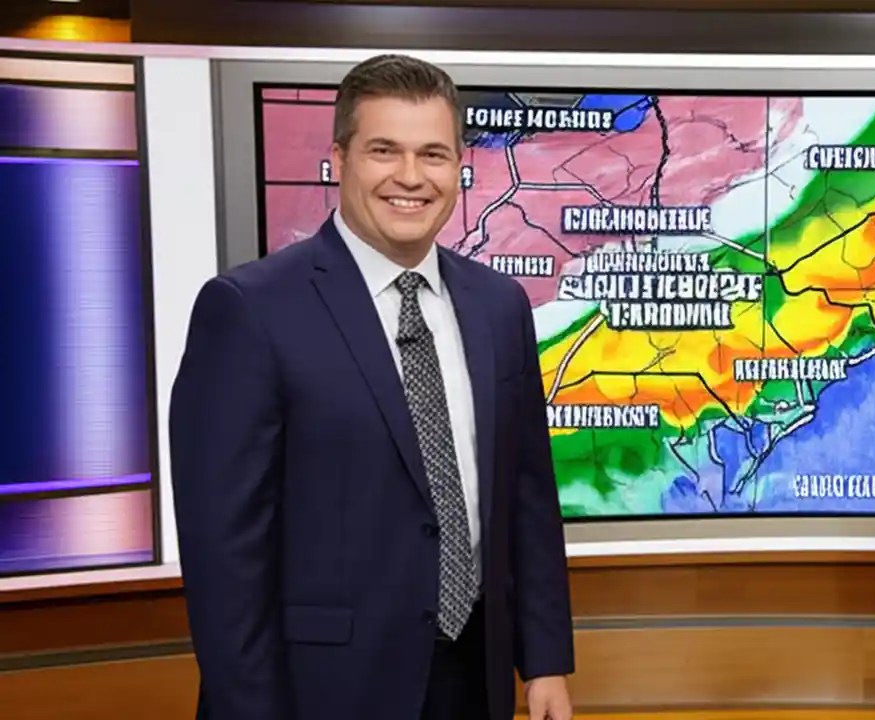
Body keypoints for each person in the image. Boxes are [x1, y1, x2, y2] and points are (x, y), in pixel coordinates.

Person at [170, 54, 575, 720]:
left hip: (473, 679)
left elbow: (526, 495)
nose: (411, 178)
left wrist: (546, 659)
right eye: (384, 150)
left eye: (433, 154)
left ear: (460, 166)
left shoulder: (498, 306)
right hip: (319, 692)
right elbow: (224, 559)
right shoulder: (249, 310)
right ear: (340, 157)